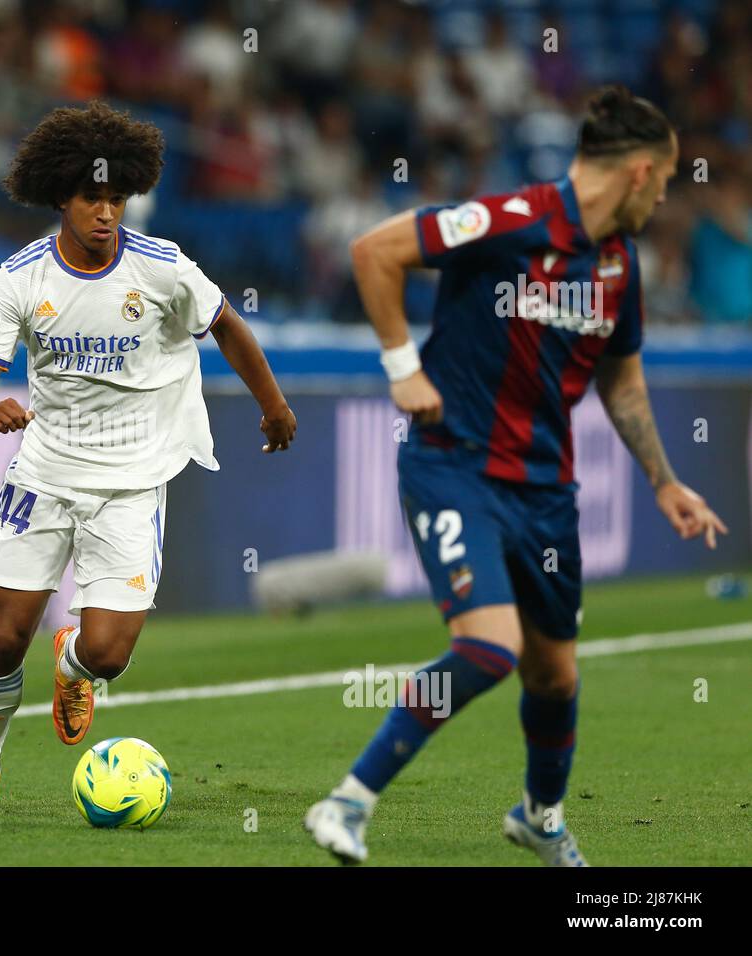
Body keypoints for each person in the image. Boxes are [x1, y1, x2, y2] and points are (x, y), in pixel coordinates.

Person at [306, 86, 727, 865]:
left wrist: (664, 480)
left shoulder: (617, 265)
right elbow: (375, 251)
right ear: (638, 173)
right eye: (665, 181)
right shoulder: (505, 222)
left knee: (556, 676)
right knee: (489, 648)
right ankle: (347, 802)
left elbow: (623, 381)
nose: (666, 196)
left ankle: (540, 815)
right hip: (453, 464)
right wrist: (402, 367)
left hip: (545, 492)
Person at [0, 101, 297, 813]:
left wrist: (274, 405)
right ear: (60, 199)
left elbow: (228, 327)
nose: (106, 212)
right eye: (91, 198)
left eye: (116, 198)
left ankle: (71, 662)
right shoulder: (20, 278)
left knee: (108, 656)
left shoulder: (162, 268)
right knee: (3, 637)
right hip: (43, 474)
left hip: (131, 484)